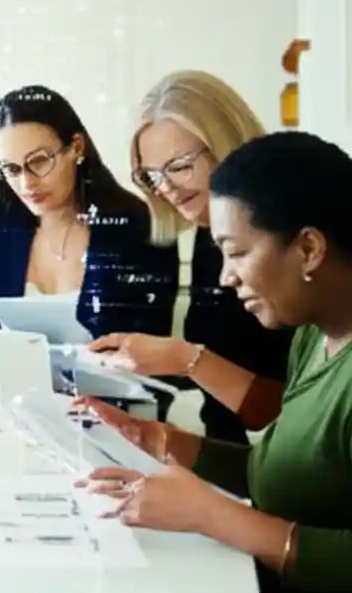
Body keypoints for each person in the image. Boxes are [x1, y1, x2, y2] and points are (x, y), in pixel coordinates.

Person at [79, 131, 352, 592]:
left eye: (236, 253)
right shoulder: (317, 330)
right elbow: (288, 475)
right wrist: (157, 441)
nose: (228, 276)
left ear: (310, 248)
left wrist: (209, 515)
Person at [88, 70, 294, 444]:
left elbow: (296, 411)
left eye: (179, 166)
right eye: (150, 176)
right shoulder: (203, 238)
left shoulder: (289, 239)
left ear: (227, 144)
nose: (166, 188)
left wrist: (187, 359)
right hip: (236, 461)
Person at [0, 86, 177, 340]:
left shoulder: (135, 229)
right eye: (11, 169)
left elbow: (151, 343)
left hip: (105, 391)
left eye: (38, 161)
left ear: (77, 148)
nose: (27, 184)